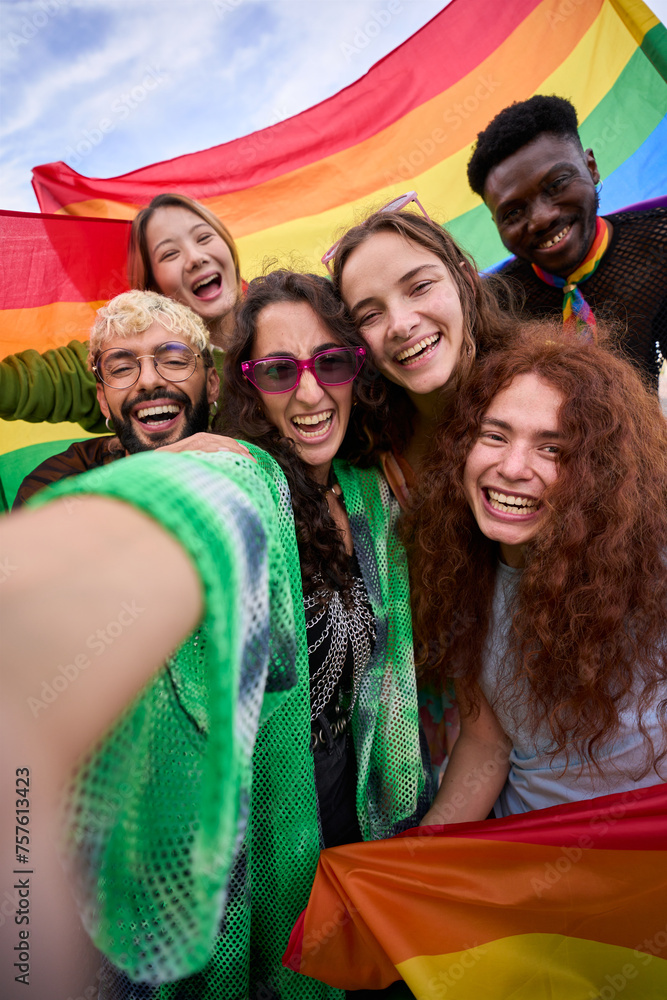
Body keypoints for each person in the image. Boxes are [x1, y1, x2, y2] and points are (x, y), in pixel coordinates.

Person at [3, 270, 429, 1000]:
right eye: (274, 370)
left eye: (328, 362)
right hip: (234, 840)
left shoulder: (374, 488)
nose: (306, 390)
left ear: (205, 380)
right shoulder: (237, 482)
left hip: (370, 824)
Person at [405, 320, 667, 825]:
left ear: (600, 472)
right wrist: (421, 858)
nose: (513, 466)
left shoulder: (653, 562)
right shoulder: (458, 569)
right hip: (523, 860)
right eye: (494, 435)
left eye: (553, 449)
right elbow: (488, 742)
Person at [467, 95, 667, 386]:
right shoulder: (493, 309)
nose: (541, 219)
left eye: (557, 184)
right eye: (513, 212)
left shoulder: (660, 245)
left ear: (591, 166)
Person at [0, 193, 242, 433]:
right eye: (169, 254)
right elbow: (17, 384)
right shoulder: (117, 353)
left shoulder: (276, 317)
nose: (195, 258)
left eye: (204, 237)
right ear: (152, 287)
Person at [327, 196, 515, 505]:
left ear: (465, 280)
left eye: (420, 287)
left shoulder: (553, 402)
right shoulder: (364, 455)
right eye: (371, 316)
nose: (401, 325)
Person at [12, 289, 232, 507]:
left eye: (174, 361)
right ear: (104, 401)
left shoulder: (247, 464)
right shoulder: (54, 487)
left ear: (212, 384)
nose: (148, 380)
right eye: (122, 368)